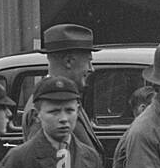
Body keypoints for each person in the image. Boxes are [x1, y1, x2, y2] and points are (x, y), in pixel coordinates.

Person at [21, 24, 101, 153]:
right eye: (88, 61)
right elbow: (44, 164)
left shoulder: (64, 99)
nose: (91, 69)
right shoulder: (40, 109)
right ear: (68, 61)